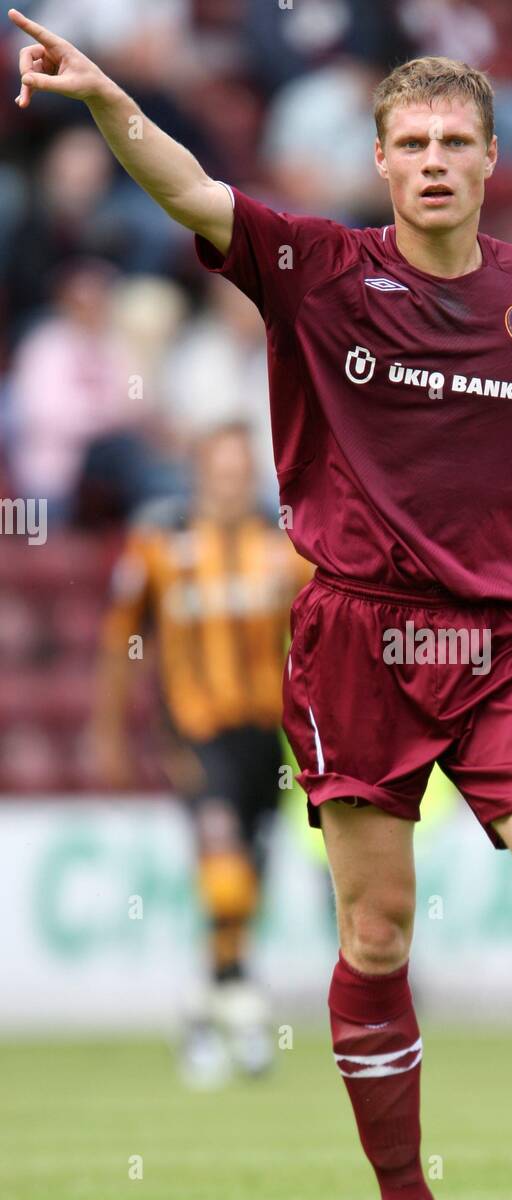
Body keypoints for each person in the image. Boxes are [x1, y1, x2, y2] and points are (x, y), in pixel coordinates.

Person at [11, 9, 512, 1200]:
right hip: (358, 640)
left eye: (457, 139)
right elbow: (186, 186)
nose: (435, 160)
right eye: (412, 142)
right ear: (384, 160)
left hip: (507, 635)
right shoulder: (317, 267)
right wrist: (103, 99)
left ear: (491, 158)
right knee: (378, 934)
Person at [91, 421, 312, 1086]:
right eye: (218, 467)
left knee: (246, 885)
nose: (230, 480)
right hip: (193, 732)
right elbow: (120, 640)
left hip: (263, 741)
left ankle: (202, 1008)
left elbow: (318, 633)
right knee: (222, 866)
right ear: (197, 471)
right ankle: (244, 1014)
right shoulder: (159, 544)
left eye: (240, 468)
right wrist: (108, 734)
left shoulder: (281, 548)